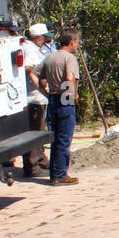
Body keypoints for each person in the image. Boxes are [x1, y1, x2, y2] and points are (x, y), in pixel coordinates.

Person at [40, 30, 81, 185]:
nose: (77, 45)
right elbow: (69, 78)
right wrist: (73, 95)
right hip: (65, 99)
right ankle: (60, 175)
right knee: (64, 138)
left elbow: (37, 77)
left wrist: (46, 92)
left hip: (53, 99)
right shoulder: (69, 58)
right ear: (71, 42)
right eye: (77, 42)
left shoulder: (50, 57)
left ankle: (54, 173)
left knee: (55, 138)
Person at [20, 22, 54, 177]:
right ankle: (32, 166)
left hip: (38, 97)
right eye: (43, 37)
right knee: (34, 132)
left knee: (40, 131)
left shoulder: (33, 48)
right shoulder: (29, 49)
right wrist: (42, 87)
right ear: (38, 37)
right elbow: (29, 69)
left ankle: (41, 160)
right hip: (33, 98)